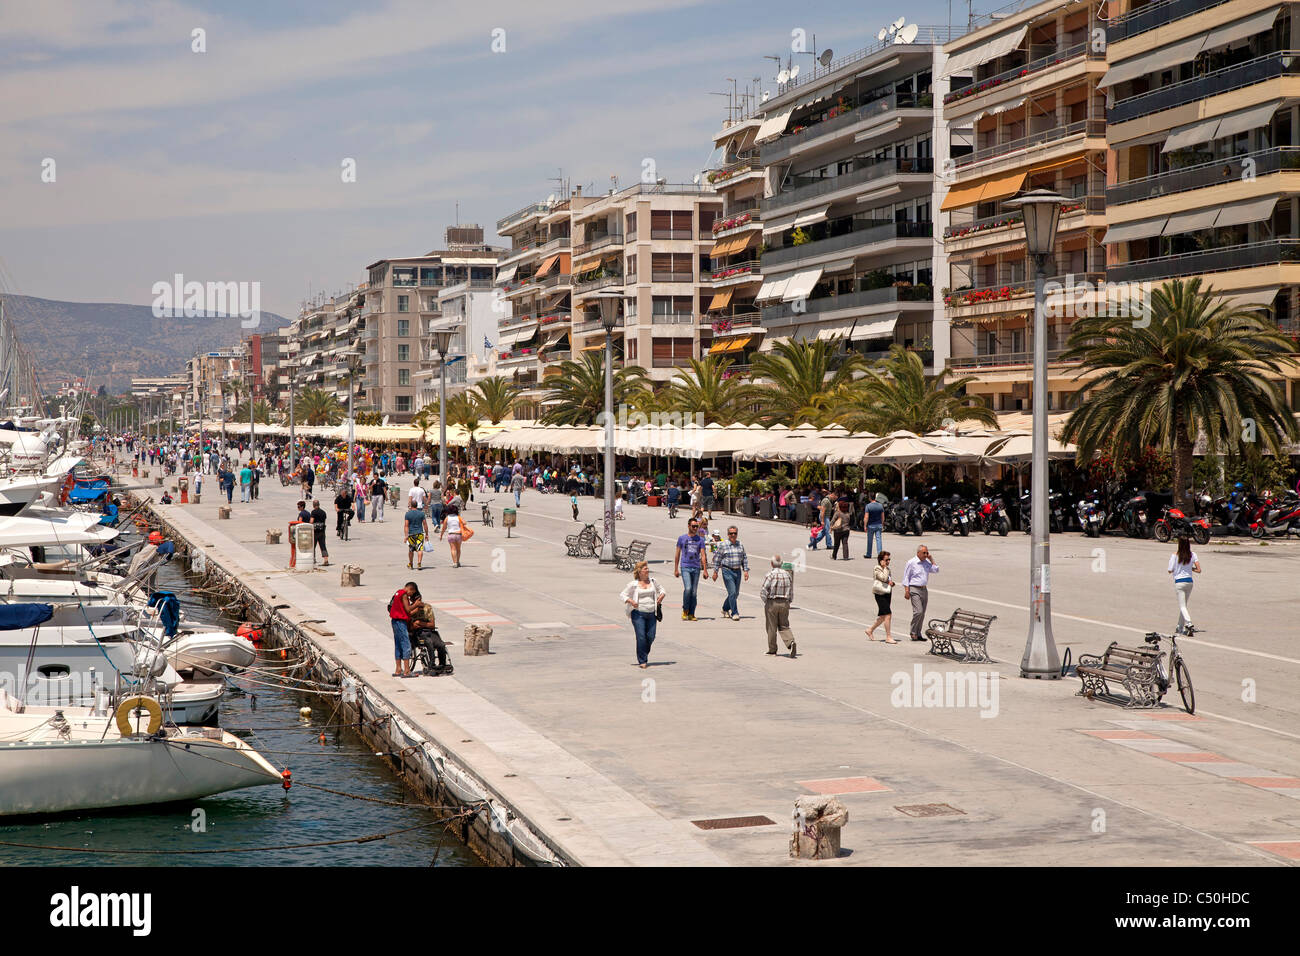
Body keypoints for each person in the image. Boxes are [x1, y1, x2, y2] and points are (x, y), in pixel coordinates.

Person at [621, 560, 666, 669]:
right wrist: (631, 601)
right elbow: (623, 594)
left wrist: (661, 597)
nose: (647, 570)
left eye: (647, 568)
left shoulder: (653, 581)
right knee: (641, 637)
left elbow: (662, 590)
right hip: (638, 614)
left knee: (651, 636)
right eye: (645, 569)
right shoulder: (634, 584)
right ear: (640, 572)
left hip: (651, 613)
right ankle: (642, 660)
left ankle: (643, 652)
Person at [759, 554, 796, 658]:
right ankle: (790, 642)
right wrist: (789, 602)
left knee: (771, 627)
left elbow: (763, 591)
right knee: (784, 625)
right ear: (782, 564)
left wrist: (767, 602)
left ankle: (772, 650)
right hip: (784, 602)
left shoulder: (770, 575)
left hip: (772, 602)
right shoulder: (787, 574)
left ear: (771, 564)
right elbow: (791, 591)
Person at [673, 516, 708, 621]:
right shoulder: (682, 538)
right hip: (685, 566)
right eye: (693, 526)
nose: (695, 528)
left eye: (696, 526)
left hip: (696, 567)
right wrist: (676, 568)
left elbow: (703, 555)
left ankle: (692, 613)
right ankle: (685, 610)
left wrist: (705, 569)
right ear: (688, 526)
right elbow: (677, 554)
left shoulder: (700, 540)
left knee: (694, 592)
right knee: (688, 589)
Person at [712, 525, 749, 620]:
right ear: (728, 534)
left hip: (738, 571)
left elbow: (744, 558)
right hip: (727, 570)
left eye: (735, 533)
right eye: (731, 533)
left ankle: (725, 609)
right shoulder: (723, 545)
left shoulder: (740, 544)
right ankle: (735, 613)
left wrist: (745, 571)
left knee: (735, 594)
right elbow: (717, 559)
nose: (733, 535)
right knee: (732, 592)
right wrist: (715, 572)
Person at [903, 544, 939, 642]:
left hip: (924, 589)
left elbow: (936, 570)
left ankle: (918, 633)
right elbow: (906, 577)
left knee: (922, 613)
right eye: (924, 553)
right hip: (914, 589)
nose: (926, 554)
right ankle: (913, 632)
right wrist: (906, 590)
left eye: (927, 553)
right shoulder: (911, 562)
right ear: (918, 553)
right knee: (918, 611)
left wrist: (931, 559)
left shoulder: (926, 562)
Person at [1168, 536, 1201, 634]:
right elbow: (1199, 570)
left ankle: (1189, 623)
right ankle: (1179, 627)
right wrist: (1190, 569)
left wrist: (1178, 569)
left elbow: (1170, 570)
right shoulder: (1193, 555)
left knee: (1182, 606)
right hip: (1189, 582)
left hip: (1179, 582)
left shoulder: (1175, 555)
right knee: (1184, 606)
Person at [388, 581, 420, 677]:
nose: (411, 596)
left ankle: (398, 669)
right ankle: (407, 670)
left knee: (398, 644)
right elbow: (408, 609)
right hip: (400, 622)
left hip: (394, 621)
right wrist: (417, 604)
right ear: (411, 589)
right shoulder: (404, 594)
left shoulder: (398, 592)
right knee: (406, 644)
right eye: (412, 593)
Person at [866, 552, 898, 643]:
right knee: (888, 614)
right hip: (880, 593)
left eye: (889, 560)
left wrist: (892, 583)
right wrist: (884, 568)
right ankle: (888, 637)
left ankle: (870, 630)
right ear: (881, 561)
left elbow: (888, 580)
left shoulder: (887, 569)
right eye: (886, 560)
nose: (888, 561)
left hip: (887, 592)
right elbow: (883, 578)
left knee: (883, 616)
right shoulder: (877, 568)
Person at [405, 500, 430, 570]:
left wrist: (406, 535)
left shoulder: (408, 514)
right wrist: (427, 534)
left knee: (411, 550)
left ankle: (411, 564)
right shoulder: (421, 514)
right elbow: (425, 524)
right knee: (420, 549)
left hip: (411, 534)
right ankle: (419, 563)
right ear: (417, 506)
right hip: (420, 534)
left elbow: (406, 525)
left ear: (411, 506)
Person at [864, 493, 886, 559]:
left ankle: (868, 554)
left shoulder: (868, 506)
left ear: (869, 498)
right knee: (879, 540)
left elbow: (866, 517)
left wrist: (865, 525)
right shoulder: (880, 505)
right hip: (879, 524)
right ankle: (880, 554)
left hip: (871, 525)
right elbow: (883, 516)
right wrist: (882, 523)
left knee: (870, 540)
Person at [309, 499, 330, 566]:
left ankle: (313, 559)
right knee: (323, 546)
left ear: (313, 505)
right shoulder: (323, 512)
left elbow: (312, 521)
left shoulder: (313, 512)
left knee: (313, 546)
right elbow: (324, 521)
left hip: (315, 532)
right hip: (322, 531)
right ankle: (326, 559)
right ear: (319, 504)